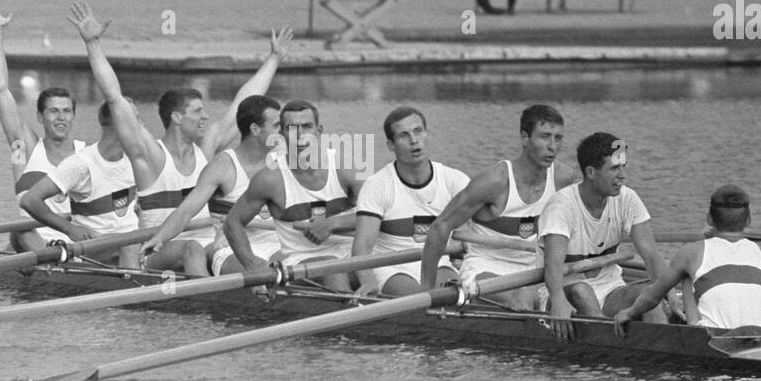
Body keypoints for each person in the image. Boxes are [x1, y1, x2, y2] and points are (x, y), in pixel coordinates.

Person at [65, 1, 290, 276]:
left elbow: (243, 106)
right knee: (191, 248)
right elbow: (115, 98)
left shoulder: (205, 152)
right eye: (198, 112)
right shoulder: (151, 157)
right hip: (159, 249)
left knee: (251, 250)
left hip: (211, 246)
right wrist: (93, 44)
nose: (206, 118)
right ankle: (206, 308)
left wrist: (274, 59)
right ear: (176, 118)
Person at [419, 103, 578, 310]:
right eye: (545, 136)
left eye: (558, 138)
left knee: (579, 295)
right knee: (524, 300)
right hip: (486, 268)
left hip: (535, 271)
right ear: (524, 138)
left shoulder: (564, 178)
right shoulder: (494, 181)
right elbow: (440, 227)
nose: (553, 146)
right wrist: (427, 293)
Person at [539, 132, 669, 342]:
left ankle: (666, 345)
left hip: (611, 289)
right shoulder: (561, 206)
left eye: (623, 167)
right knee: (582, 291)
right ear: (591, 172)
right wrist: (558, 300)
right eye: (614, 168)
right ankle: (609, 346)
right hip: (564, 292)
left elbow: (652, 257)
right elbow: (552, 266)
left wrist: (671, 295)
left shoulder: (627, 198)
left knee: (648, 293)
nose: (622, 176)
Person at [223, 99, 364, 292]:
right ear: (281, 135)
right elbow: (233, 223)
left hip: (353, 254)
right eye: (292, 128)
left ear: (319, 130)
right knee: (333, 269)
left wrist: (332, 224)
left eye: (307, 127)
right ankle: (355, 315)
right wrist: (252, 265)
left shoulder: (346, 166)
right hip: (301, 262)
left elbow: (381, 214)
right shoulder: (270, 179)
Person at [141, 94, 284, 275]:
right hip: (232, 251)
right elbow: (186, 211)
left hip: (275, 246)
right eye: (277, 126)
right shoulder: (222, 166)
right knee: (268, 272)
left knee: (309, 261)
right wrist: (160, 238)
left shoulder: (282, 161)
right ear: (255, 129)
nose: (283, 132)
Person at [0, 3, 84, 252]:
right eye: (53, 111)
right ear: (40, 117)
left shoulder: (86, 153)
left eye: (66, 111)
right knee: (22, 227)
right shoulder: (24, 146)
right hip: (32, 243)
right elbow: (0, 87)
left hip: (76, 247)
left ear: (73, 116)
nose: (61, 118)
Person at [612, 185, 761, 333]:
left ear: (709, 219)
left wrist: (628, 312)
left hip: (713, 337)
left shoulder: (691, 252)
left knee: (687, 276)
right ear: (748, 220)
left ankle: (693, 325)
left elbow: (653, 296)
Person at [352, 107, 471, 297]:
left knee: (452, 295)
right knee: (421, 300)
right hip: (391, 267)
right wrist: (368, 282)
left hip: (438, 262)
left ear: (427, 134)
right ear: (391, 145)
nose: (414, 140)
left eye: (418, 131)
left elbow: (474, 235)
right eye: (404, 135)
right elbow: (362, 245)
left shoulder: (455, 181)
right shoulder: (377, 185)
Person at [19, 99, 142, 268]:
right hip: (95, 249)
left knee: (134, 242)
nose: (141, 124)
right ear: (119, 121)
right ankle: (136, 287)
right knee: (129, 244)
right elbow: (29, 200)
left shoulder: (137, 159)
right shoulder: (80, 164)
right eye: (136, 118)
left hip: (131, 244)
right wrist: (70, 229)